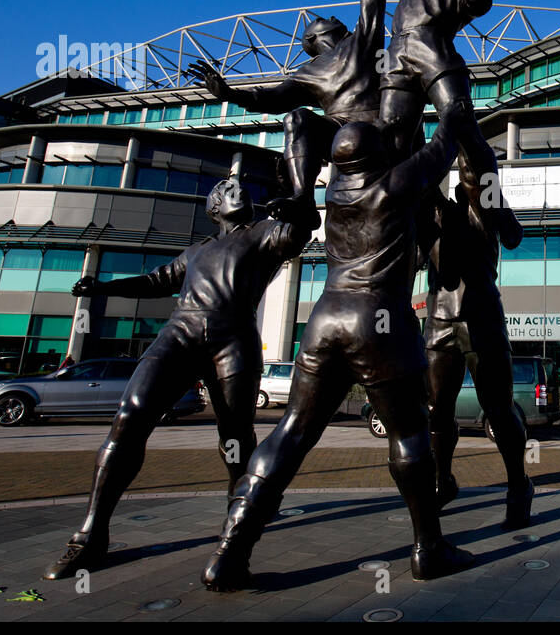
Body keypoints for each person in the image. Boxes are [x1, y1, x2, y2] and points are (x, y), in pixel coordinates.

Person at [201, 114, 474, 591]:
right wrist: (453, 108)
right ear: (377, 156)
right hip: (377, 322)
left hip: (325, 320)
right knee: (410, 436)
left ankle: (229, 552)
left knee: (291, 433)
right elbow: (443, 145)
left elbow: (302, 124)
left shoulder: (333, 195)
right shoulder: (392, 185)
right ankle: (429, 548)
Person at [41, 177, 314, 580]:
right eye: (228, 186)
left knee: (235, 433)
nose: (239, 188)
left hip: (233, 336)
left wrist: (297, 205)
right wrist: (102, 287)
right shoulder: (195, 251)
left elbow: (298, 230)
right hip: (180, 333)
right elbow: (155, 281)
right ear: (214, 205)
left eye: (242, 186)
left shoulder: (263, 234)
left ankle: (237, 514)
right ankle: (90, 535)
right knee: (131, 415)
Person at [186, 0, 384, 223]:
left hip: (377, 125)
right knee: (297, 117)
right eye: (326, 19)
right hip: (338, 131)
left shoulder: (361, 41)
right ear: (314, 37)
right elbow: (272, 98)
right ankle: (303, 198)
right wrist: (227, 93)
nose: (332, 17)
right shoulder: (307, 73)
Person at [377, 0, 522, 250]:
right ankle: (411, 221)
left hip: (434, 52)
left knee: (462, 129)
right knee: (392, 139)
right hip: (397, 52)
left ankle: (496, 206)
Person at [425, 155, 533, 529]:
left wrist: (491, 193)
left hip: (482, 317)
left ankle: (519, 484)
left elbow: (514, 235)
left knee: (499, 409)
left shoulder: (486, 206)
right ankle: (442, 481)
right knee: (437, 409)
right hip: (439, 318)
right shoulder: (429, 206)